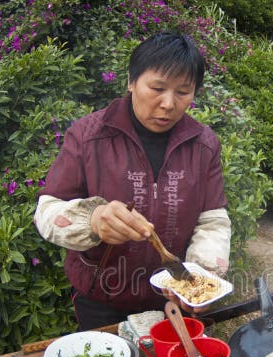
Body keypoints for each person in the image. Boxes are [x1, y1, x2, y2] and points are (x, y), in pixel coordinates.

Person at [34, 32, 231, 330]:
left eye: (183, 92)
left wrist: (196, 276)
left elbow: (212, 219)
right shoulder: (89, 135)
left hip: (172, 297)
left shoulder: (204, 145)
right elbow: (47, 210)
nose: (168, 104)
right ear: (131, 81)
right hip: (102, 297)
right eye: (157, 88)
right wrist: (93, 220)